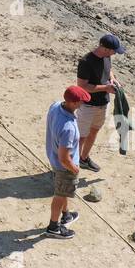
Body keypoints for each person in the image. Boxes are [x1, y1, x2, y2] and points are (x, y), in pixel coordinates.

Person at [75, 33, 125, 171]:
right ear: (106, 49)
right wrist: (106, 88)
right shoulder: (86, 62)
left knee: (94, 131)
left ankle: (84, 158)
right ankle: (73, 164)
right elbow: (82, 86)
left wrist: (113, 79)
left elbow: (109, 70)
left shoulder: (106, 57)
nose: (115, 53)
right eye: (114, 51)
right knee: (81, 136)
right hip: (88, 105)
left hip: (103, 104)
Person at [45, 86, 88, 239]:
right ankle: (53, 227)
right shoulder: (68, 128)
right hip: (64, 166)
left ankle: (66, 215)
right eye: (81, 101)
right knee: (59, 195)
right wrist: (74, 169)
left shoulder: (56, 106)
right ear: (74, 103)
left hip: (53, 158)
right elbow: (64, 158)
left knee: (63, 191)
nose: (82, 104)